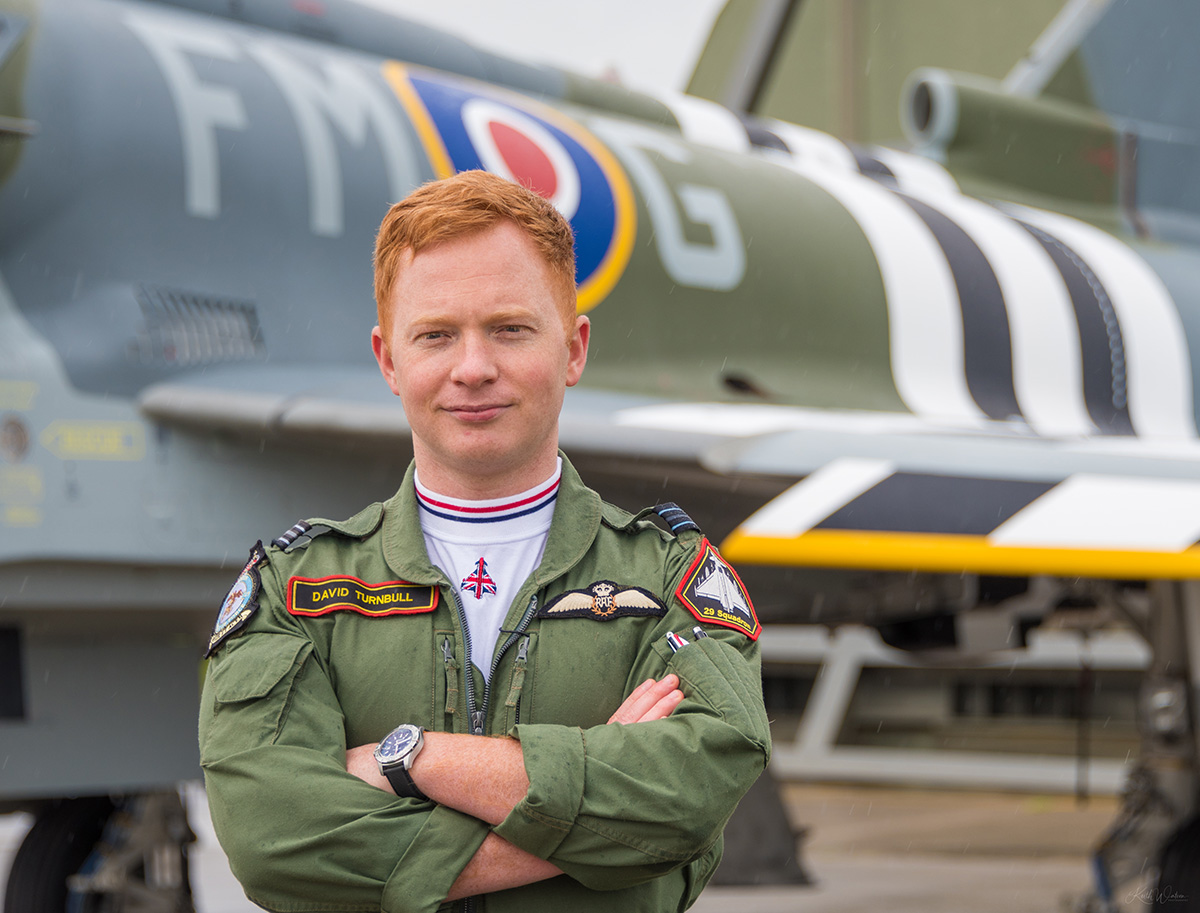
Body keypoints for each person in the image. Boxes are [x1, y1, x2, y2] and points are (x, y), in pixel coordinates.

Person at [198, 170, 770, 913]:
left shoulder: (669, 580)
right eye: (436, 334)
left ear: (574, 347)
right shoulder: (294, 589)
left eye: (509, 328)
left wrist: (412, 758)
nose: (473, 367)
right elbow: (275, 841)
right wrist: (592, 829)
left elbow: (689, 793)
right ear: (389, 361)